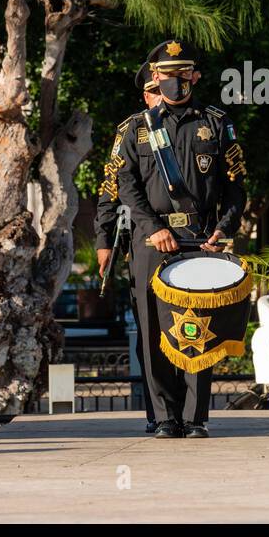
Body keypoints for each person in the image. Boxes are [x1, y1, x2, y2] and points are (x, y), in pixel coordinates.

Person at [113, 40, 246, 439]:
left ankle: (195, 417)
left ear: (195, 76)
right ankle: (163, 417)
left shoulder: (217, 123)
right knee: (154, 329)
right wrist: (153, 227)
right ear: (156, 77)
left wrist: (225, 227)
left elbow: (236, 187)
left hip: (201, 239)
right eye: (167, 75)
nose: (175, 81)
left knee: (196, 326)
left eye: (183, 74)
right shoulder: (135, 128)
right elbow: (126, 185)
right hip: (152, 242)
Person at [95, 62, 161, 433]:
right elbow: (110, 189)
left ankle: (187, 412)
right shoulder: (132, 130)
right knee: (148, 331)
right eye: (153, 91)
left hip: (190, 237)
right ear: (145, 95)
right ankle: (156, 411)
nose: (161, 95)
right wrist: (104, 241)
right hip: (143, 242)